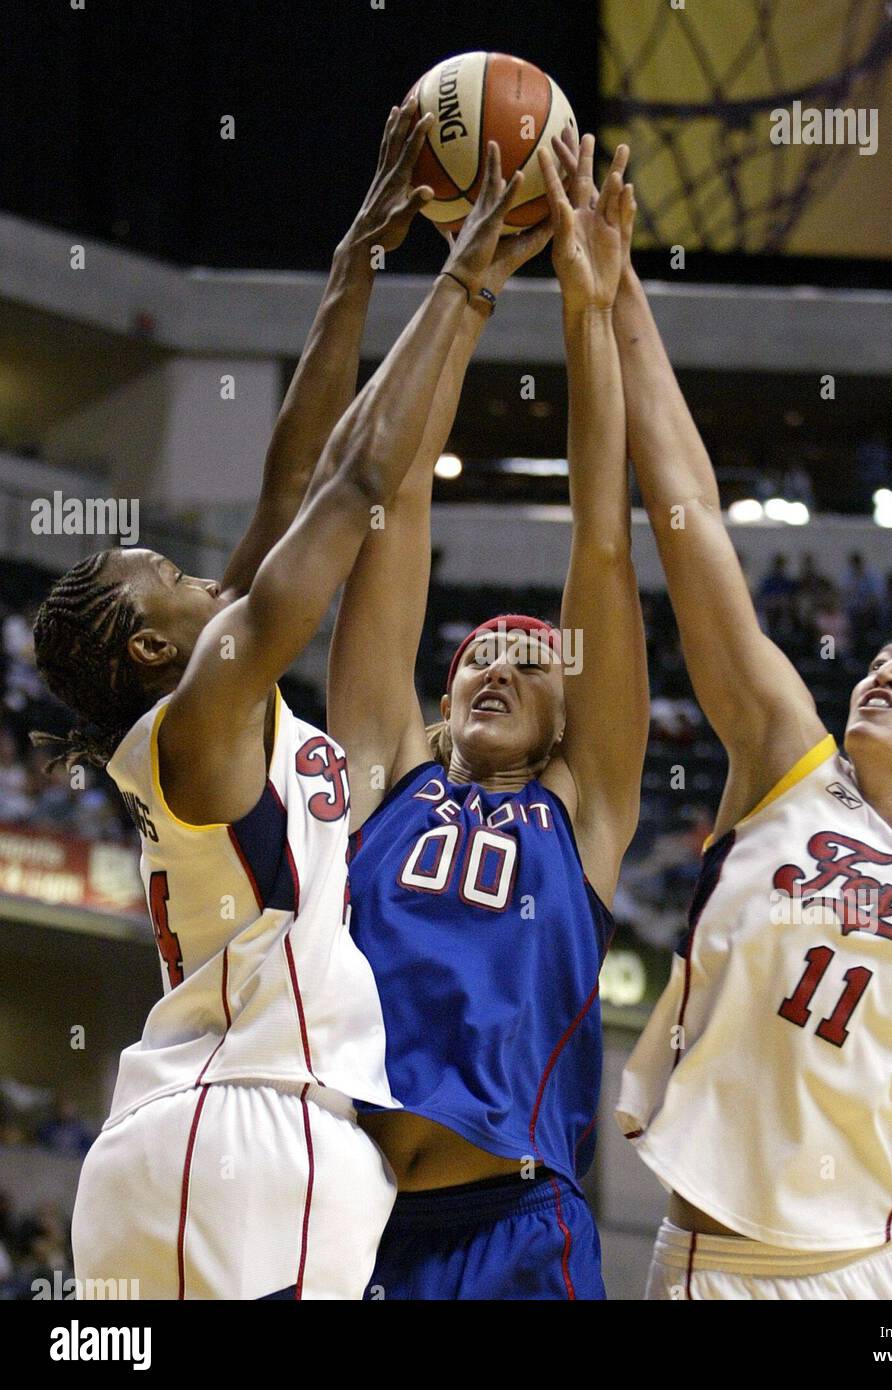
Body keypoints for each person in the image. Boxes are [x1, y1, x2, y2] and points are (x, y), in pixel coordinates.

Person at [30, 108, 525, 1299]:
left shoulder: (198, 722)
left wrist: (361, 247)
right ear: (155, 643)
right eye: (176, 576)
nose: (208, 572)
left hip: (181, 1140)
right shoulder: (203, 718)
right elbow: (351, 488)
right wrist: (463, 282)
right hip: (254, 1130)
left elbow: (294, 471)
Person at [557, 138, 892, 1300]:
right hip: (722, 1269)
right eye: (879, 657)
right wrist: (619, 286)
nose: (884, 669)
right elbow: (686, 516)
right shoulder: (790, 764)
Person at [331, 135, 647, 1300]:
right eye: (478, 658)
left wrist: (587, 306)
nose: (501, 665)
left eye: (531, 658)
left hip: (514, 1223)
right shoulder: (384, 779)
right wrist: (466, 283)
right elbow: (393, 493)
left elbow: (601, 541)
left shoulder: (585, 812)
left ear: (569, 712)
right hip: (339, 1212)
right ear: (443, 694)